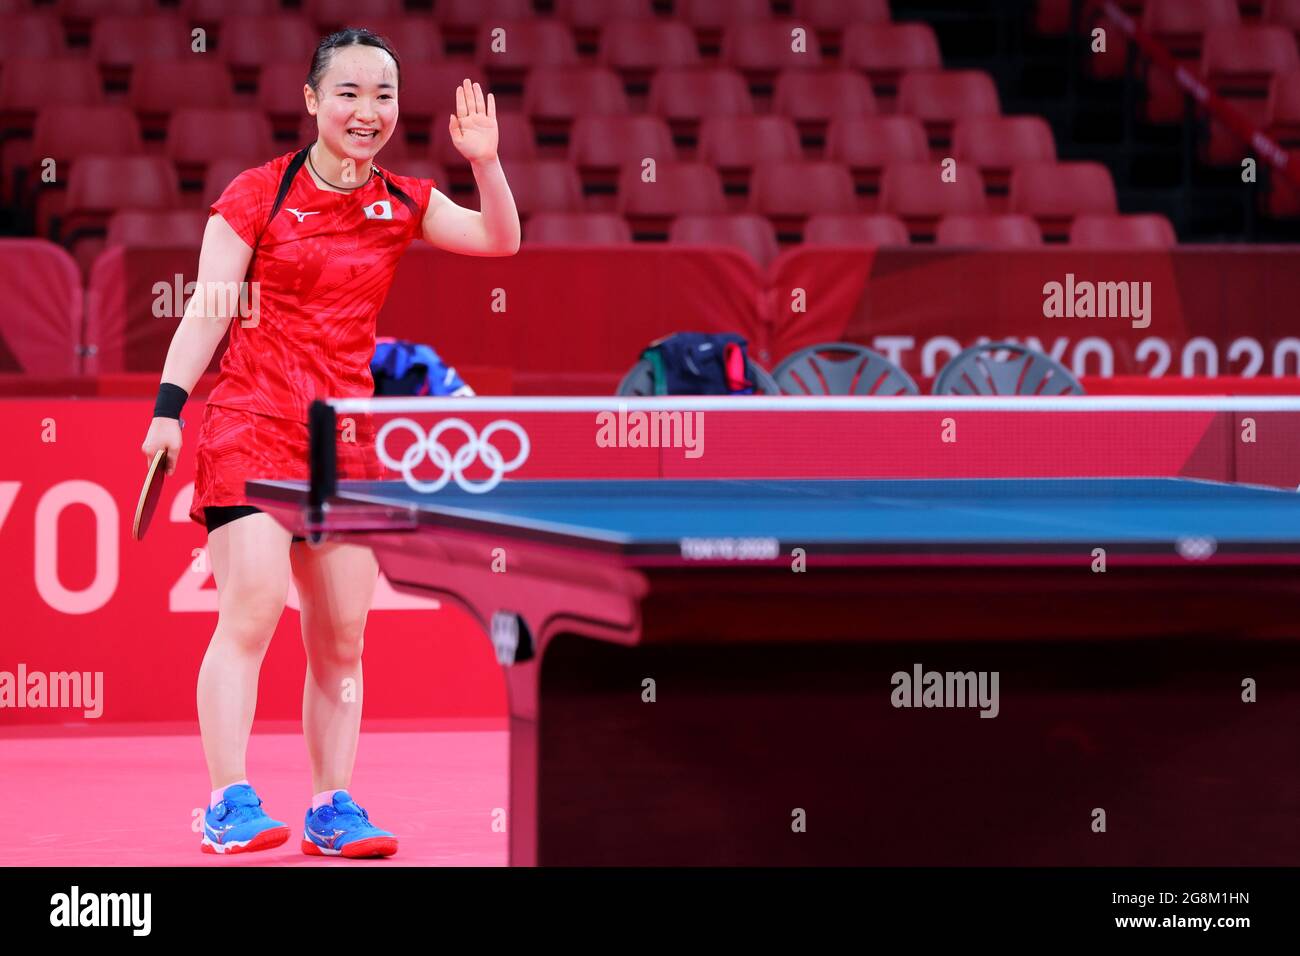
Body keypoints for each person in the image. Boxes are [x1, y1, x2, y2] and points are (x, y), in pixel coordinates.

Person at [139, 28, 520, 857]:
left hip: (343, 440)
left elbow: (500, 242)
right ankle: (227, 800)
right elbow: (207, 308)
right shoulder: (259, 194)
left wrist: (485, 162)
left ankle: (330, 804)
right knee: (251, 605)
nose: (366, 111)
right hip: (251, 419)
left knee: (343, 634)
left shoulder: (403, 202)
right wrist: (170, 407)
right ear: (312, 101)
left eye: (383, 95)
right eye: (347, 93)